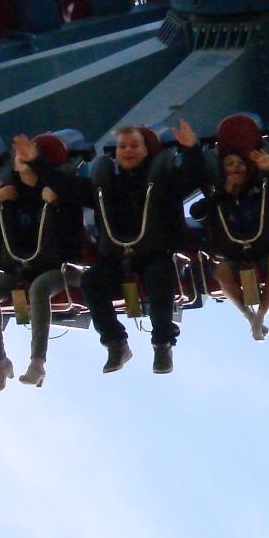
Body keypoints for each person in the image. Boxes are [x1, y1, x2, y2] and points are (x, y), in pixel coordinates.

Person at [43, 121, 202, 375]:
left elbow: (193, 177)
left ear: (145, 150)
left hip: (154, 254)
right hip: (115, 259)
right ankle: (116, 343)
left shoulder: (163, 182)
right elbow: (65, 186)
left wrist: (191, 149)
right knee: (92, 281)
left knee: (160, 275)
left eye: (134, 145)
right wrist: (34, 162)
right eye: (122, 146)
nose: (128, 150)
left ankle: (162, 344)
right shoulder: (104, 187)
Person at [0, 133, 83, 391]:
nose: (22, 159)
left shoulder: (57, 190)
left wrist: (56, 205)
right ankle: (0, 362)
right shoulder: (8, 194)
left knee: (40, 288)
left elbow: (73, 235)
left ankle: (37, 362)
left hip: (58, 269)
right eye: (18, 155)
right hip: (19, 267)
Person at [190, 123, 269, 340]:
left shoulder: (264, 186)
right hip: (231, 250)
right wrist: (221, 195)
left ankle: (260, 314)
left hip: (266, 244)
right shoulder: (218, 194)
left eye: (240, 163)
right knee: (222, 272)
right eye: (230, 164)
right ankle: (247, 314)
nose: (236, 167)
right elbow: (197, 213)